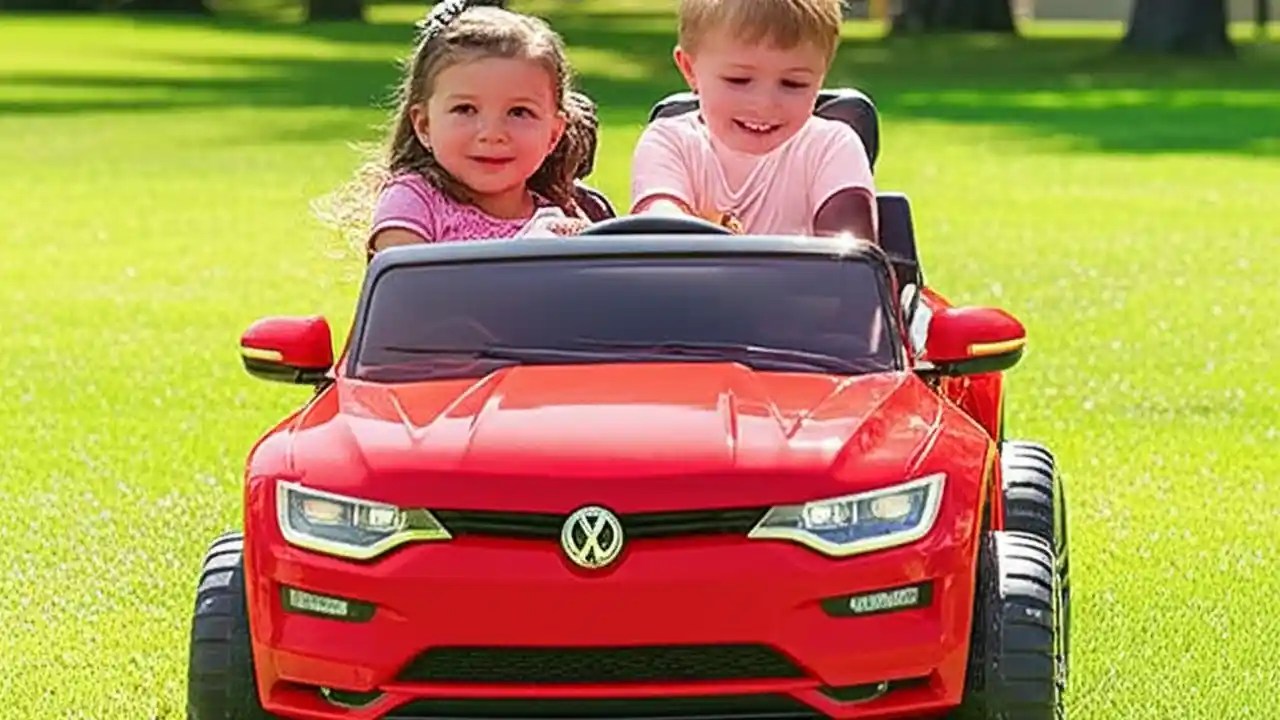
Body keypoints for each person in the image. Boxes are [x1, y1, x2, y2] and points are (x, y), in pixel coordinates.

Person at [317, 0, 596, 261]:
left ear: (553, 134)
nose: (492, 133)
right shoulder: (413, 201)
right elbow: (409, 296)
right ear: (424, 125)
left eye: (519, 112)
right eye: (465, 109)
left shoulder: (562, 220)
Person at [629, 0, 878, 241]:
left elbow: (851, 262)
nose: (764, 104)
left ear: (821, 77)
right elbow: (660, 236)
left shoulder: (832, 149)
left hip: (808, 285)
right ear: (690, 70)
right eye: (739, 80)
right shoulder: (669, 145)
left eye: (793, 83)